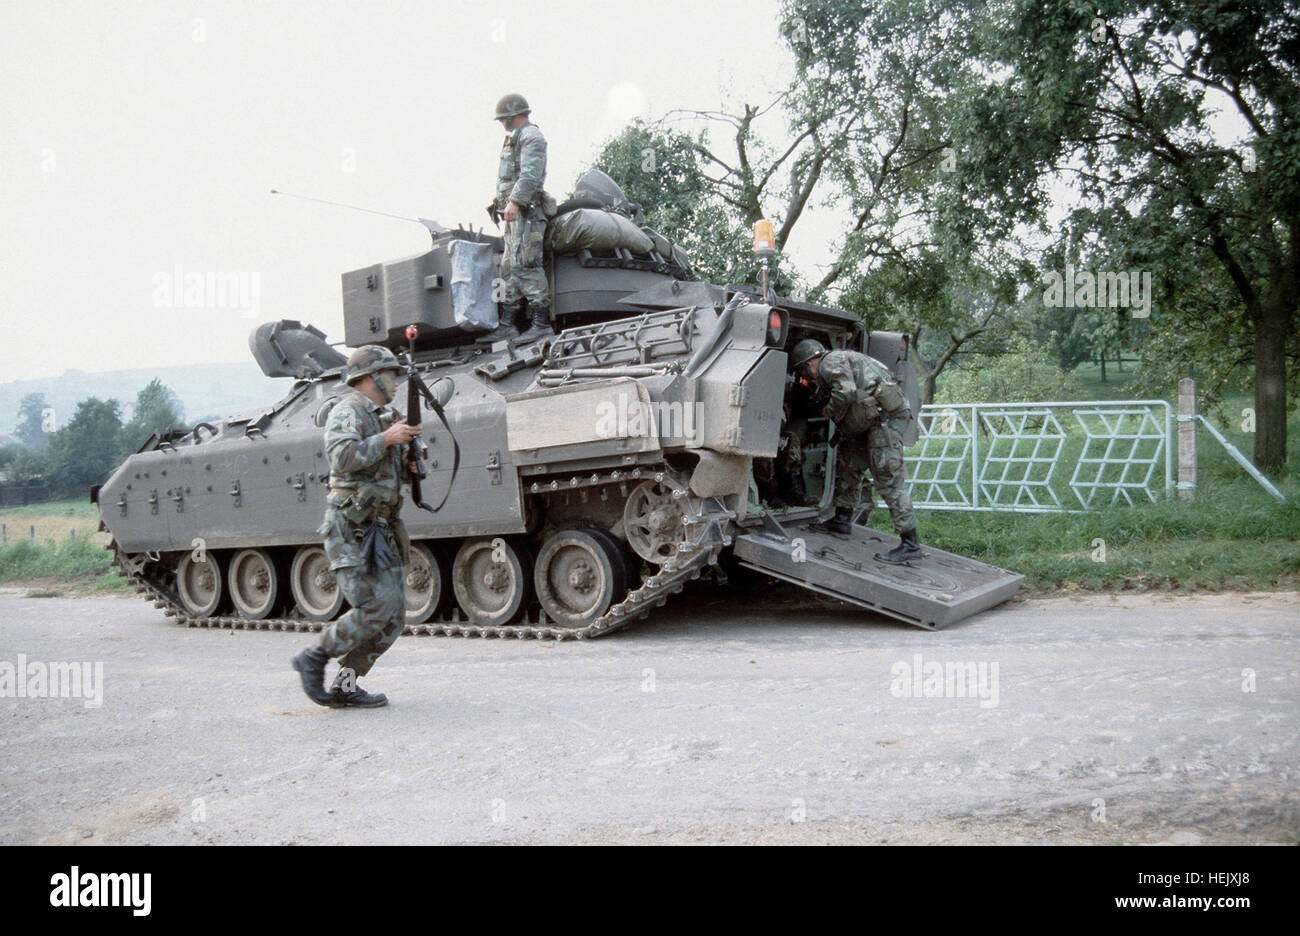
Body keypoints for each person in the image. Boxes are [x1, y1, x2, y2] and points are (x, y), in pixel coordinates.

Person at [291, 345, 421, 708]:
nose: (395, 381)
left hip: (380, 528)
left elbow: (381, 475)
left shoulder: (383, 416)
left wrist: (409, 468)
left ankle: (347, 683)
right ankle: (315, 656)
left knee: (393, 616)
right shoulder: (347, 412)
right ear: (370, 377)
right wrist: (387, 439)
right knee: (375, 606)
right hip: (351, 528)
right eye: (390, 374)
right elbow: (343, 457)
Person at [790, 339, 923, 564]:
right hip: (871, 421)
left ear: (810, 361)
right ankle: (842, 518)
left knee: (888, 477)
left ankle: (910, 543)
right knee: (849, 462)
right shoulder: (840, 359)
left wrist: (828, 411)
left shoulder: (828, 362)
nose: (808, 376)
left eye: (804, 369)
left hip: (885, 422)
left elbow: (846, 392)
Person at [483, 93, 552, 344]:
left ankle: (541, 324)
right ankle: (507, 324)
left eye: (504, 119)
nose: (502, 123)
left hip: (527, 213)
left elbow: (530, 175)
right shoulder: (517, 138)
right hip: (515, 216)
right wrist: (501, 203)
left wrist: (515, 201)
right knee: (509, 268)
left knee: (527, 264)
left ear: (514, 115)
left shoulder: (532, 137)